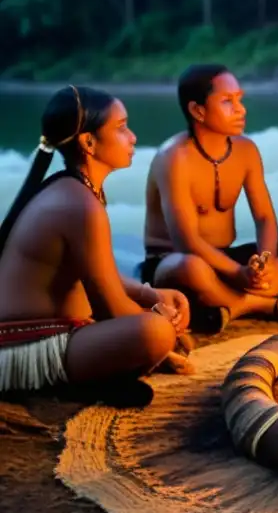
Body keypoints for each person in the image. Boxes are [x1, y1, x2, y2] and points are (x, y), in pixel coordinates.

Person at [0, 86, 189, 400]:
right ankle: (91, 383)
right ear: (88, 142)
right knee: (154, 332)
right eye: (121, 127)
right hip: (21, 351)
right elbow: (110, 307)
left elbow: (102, 275)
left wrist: (151, 293)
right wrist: (159, 316)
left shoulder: (75, 191)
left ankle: (106, 374)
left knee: (154, 324)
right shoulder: (78, 204)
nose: (133, 137)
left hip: (52, 335)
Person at [141, 65, 278, 331]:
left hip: (228, 259)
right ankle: (260, 305)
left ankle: (229, 304)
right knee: (193, 268)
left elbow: (265, 218)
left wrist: (264, 261)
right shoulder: (174, 157)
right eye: (227, 101)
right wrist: (238, 273)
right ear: (198, 111)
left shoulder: (246, 150)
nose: (240, 109)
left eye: (239, 99)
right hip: (174, 260)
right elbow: (186, 241)